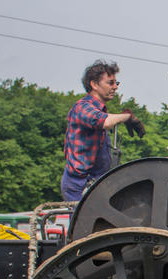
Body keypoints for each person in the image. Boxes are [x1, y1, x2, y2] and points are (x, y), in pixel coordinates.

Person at [61, 60, 145, 201]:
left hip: (96, 182)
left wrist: (124, 117)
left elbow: (106, 118)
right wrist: (127, 117)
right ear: (94, 84)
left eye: (116, 83)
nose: (115, 87)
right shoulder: (82, 107)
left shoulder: (98, 111)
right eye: (110, 83)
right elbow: (104, 121)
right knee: (84, 222)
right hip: (80, 184)